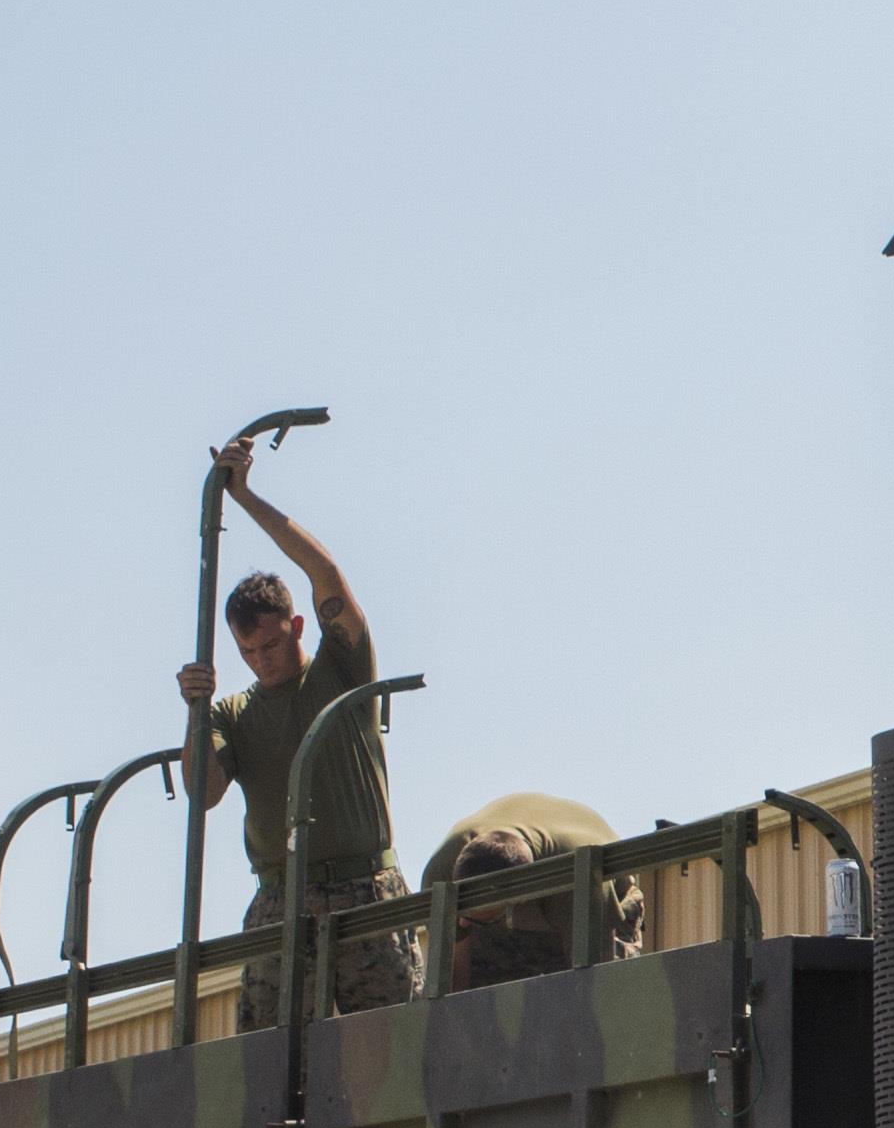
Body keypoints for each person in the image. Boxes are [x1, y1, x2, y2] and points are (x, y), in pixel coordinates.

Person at [178, 439, 411, 1027]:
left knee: (390, 1044)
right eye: (248, 651)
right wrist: (196, 711)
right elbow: (202, 793)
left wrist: (244, 496)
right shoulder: (233, 712)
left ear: (298, 625)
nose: (261, 659)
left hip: (365, 889)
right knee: (270, 1062)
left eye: (272, 644)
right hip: (281, 899)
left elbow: (324, 571)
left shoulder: (341, 665)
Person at [426, 789, 649, 989]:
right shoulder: (440, 874)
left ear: (521, 901)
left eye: (476, 920)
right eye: (463, 913)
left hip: (601, 895)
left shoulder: (576, 882)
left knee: (601, 987)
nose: (463, 923)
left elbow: (597, 980)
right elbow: (453, 982)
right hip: (528, 894)